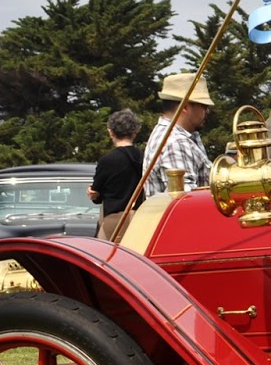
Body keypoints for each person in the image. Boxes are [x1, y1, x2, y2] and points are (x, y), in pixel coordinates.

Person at [141, 72, 215, 196]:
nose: (207, 111)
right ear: (185, 107)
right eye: (203, 105)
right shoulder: (176, 142)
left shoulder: (169, 135)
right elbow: (186, 202)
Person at [89, 108, 144, 240]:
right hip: (141, 221)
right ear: (135, 132)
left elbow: (97, 194)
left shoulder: (107, 161)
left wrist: (92, 193)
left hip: (113, 222)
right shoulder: (144, 157)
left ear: (110, 132)